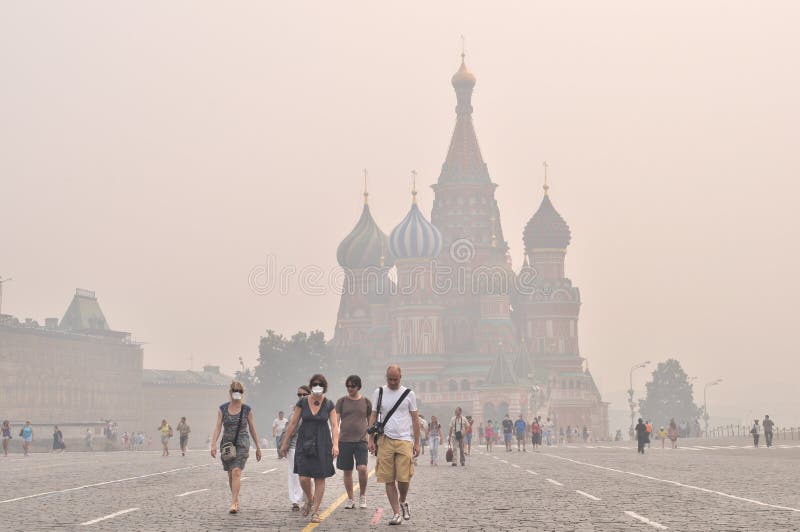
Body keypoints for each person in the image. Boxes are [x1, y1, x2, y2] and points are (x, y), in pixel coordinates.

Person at [280, 374, 339, 524]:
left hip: (322, 442)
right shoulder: (303, 402)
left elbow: (334, 426)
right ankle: (310, 499)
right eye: (315, 385)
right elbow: (293, 424)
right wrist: (285, 442)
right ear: (311, 386)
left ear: (324, 387)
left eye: (320, 385)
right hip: (304, 442)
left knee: (320, 478)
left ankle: (315, 511)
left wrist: (336, 444)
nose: (317, 387)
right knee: (304, 477)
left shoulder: (329, 404)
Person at [367, 365, 420, 526]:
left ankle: (403, 501)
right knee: (388, 479)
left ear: (400, 377)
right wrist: (370, 439)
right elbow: (374, 415)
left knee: (404, 479)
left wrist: (417, 442)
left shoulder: (409, 394)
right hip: (385, 439)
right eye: (389, 379)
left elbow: (415, 419)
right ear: (386, 377)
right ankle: (396, 513)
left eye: (395, 379)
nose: (392, 382)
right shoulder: (379, 393)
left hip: (404, 440)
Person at [210, 380, 262, 514]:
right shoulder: (222, 409)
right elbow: (217, 427)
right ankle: (235, 498)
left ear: (242, 393)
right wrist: (213, 444)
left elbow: (252, 428)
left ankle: (233, 502)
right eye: (234, 391)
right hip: (227, 444)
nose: (237, 393)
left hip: (242, 443)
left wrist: (258, 446)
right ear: (230, 392)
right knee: (230, 474)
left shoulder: (247, 410)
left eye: (239, 391)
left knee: (236, 471)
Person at [335, 374, 372, 510]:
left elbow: (370, 422)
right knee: (347, 471)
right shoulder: (341, 401)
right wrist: (334, 439)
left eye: (353, 386)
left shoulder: (366, 402)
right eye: (348, 386)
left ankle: (362, 495)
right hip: (344, 440)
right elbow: (335, 421)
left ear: (359, 387)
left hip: (361, 440)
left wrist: (372, 440)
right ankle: (350, 498)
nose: (350, 388)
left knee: (362, 468)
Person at [283, 385, 310, 511]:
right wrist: (284, 444)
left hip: (309, 446)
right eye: (299, 395)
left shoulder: (313, 410)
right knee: (294, 473)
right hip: (294, 446)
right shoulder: (294, 412)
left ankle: (307, 498)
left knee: (308, 473)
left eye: (304, 394)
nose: (302, 397)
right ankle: (295, 500)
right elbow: (291, 429)